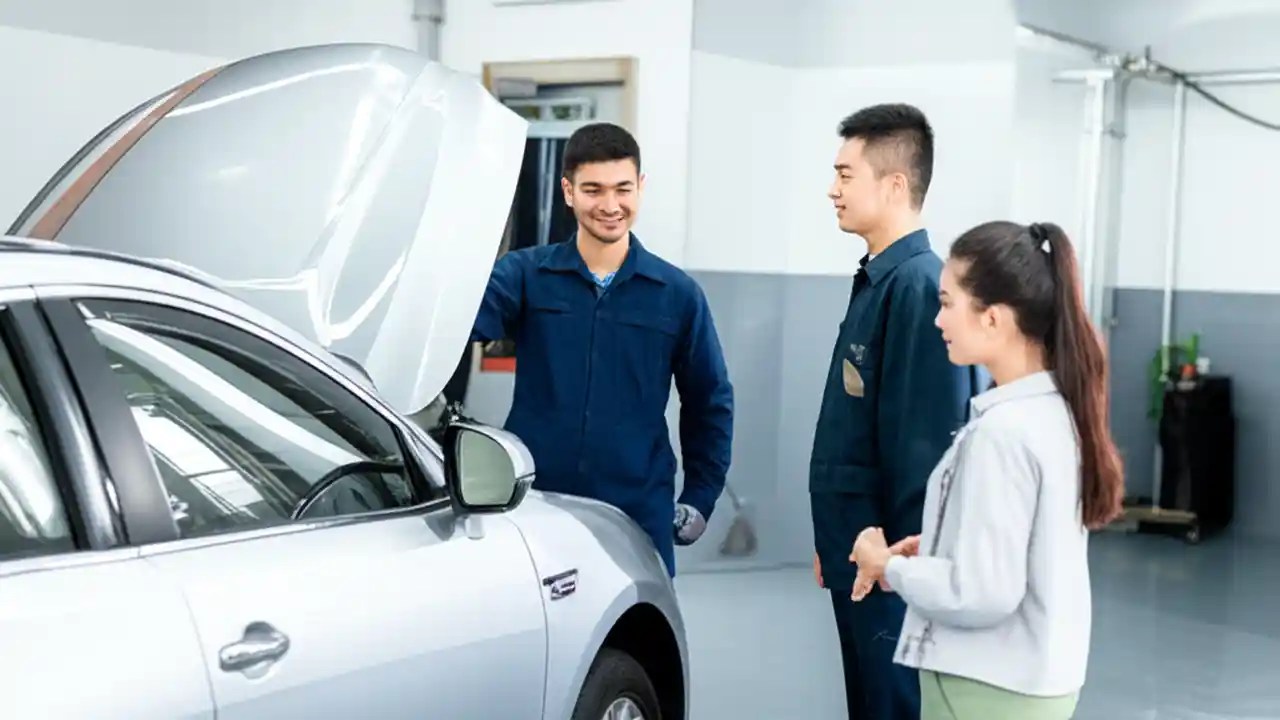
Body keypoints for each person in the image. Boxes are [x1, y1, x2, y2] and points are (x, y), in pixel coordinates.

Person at [849, 220, 1126, 720]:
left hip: (986, 688)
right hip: (1036, 681)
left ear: (994, 319)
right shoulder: (1056, 413)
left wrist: (886, 565)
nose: (938, 321)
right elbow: (1020, 549)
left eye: (948, 303)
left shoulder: (1003, 433)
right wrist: (938, 546)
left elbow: (982, 593)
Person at [470, 122, 733, 577]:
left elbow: (709, 400)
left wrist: (700, 495)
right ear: (568, 191)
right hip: (535, 502)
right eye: (593, 190)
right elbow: (453, 329)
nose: (610, 206)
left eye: (623, 189)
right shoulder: (524, 276)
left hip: (637, 508)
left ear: (641, 188)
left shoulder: (676, 294)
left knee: (638, 638)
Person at [809, 103, 976, 720]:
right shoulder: (879, 282)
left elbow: (925, 451)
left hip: (888, 570)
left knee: (894, 708)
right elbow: (856, 436)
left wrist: (899, 567)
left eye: (845, 175)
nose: (832, 189)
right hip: (859, 557)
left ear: (895, 183)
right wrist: (836, 538)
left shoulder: (916, 290)